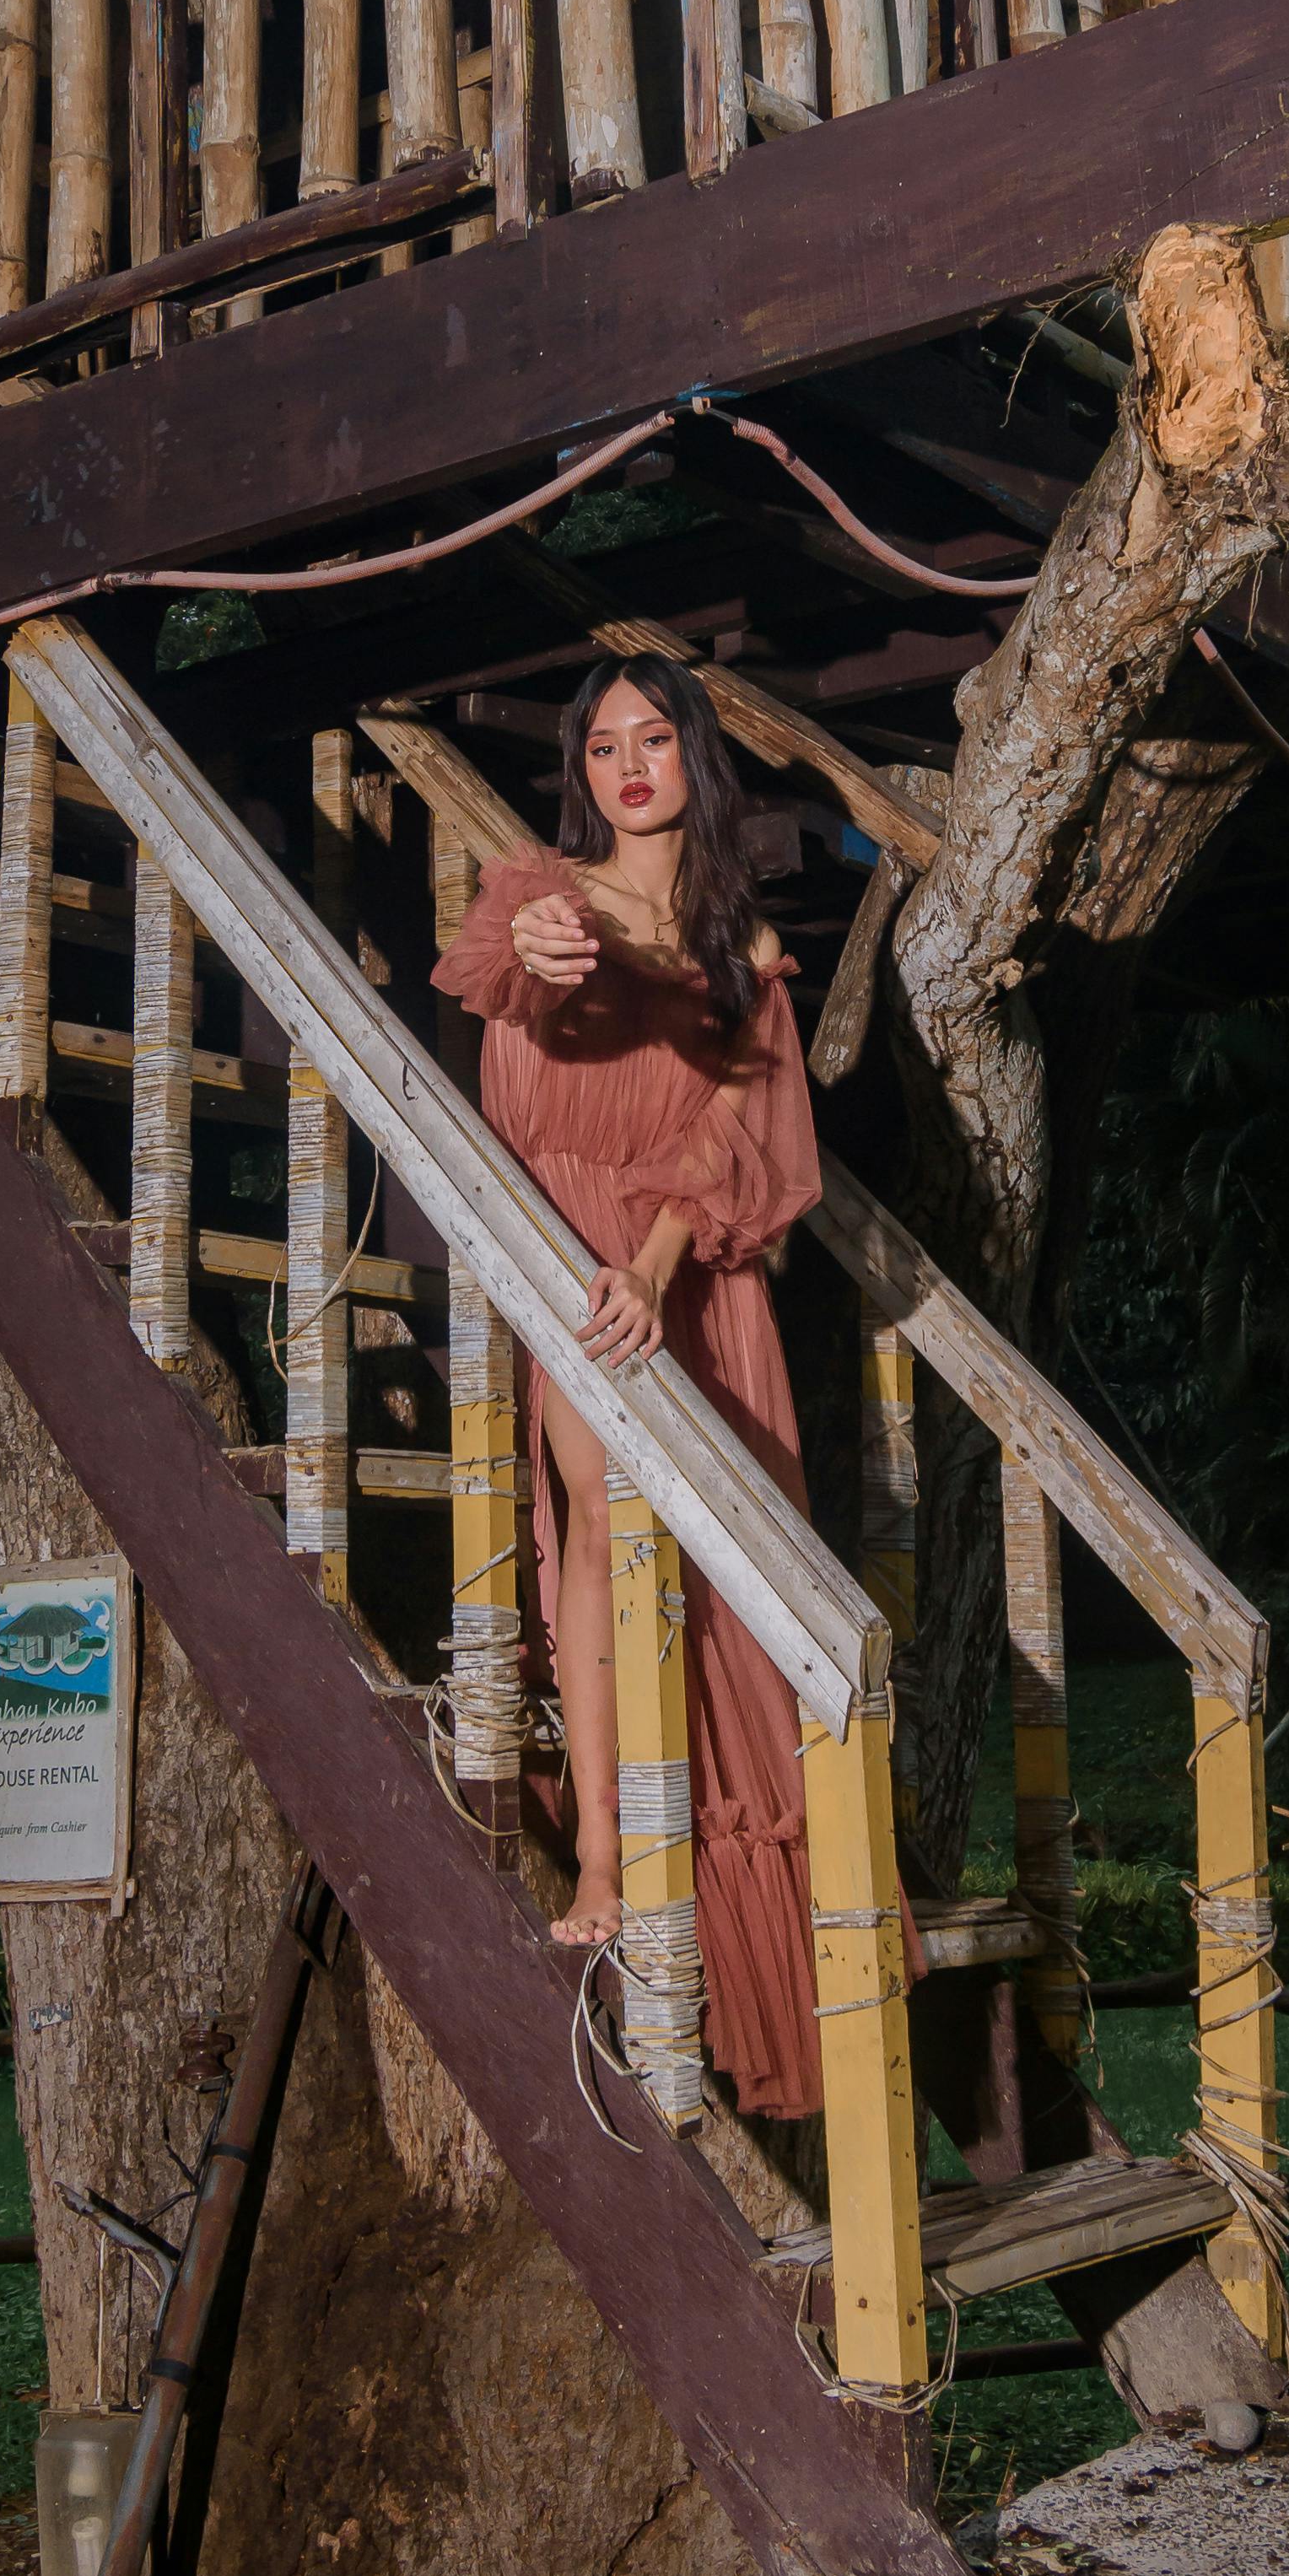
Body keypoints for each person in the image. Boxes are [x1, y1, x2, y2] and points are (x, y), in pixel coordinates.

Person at [431, 652, 830, 2120]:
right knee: (597, 1535)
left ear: (692, 759)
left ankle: (755, 1909)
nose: (628, 765)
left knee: (736, 1585)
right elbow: (513, 999)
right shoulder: (539, 896)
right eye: (602, 745)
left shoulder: (751, 950)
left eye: (653, 738)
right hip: (568, 1263)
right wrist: (536, 955)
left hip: (682, 1284)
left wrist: (657, 1266)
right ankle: (606, 1849)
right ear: (579, 774)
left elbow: (739, 1138)